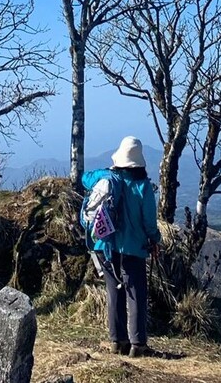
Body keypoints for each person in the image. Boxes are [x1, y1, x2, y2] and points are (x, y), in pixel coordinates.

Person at [82, 135, 160, 358]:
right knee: (136, 294)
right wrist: (155, 239)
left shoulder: (110, 180)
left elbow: (84, 179)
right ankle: (138, 344)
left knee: (113, 293)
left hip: (105, 246)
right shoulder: (142, 186)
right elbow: (149, 222)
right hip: (133, 248)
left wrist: (105, 172)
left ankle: (117, 342)